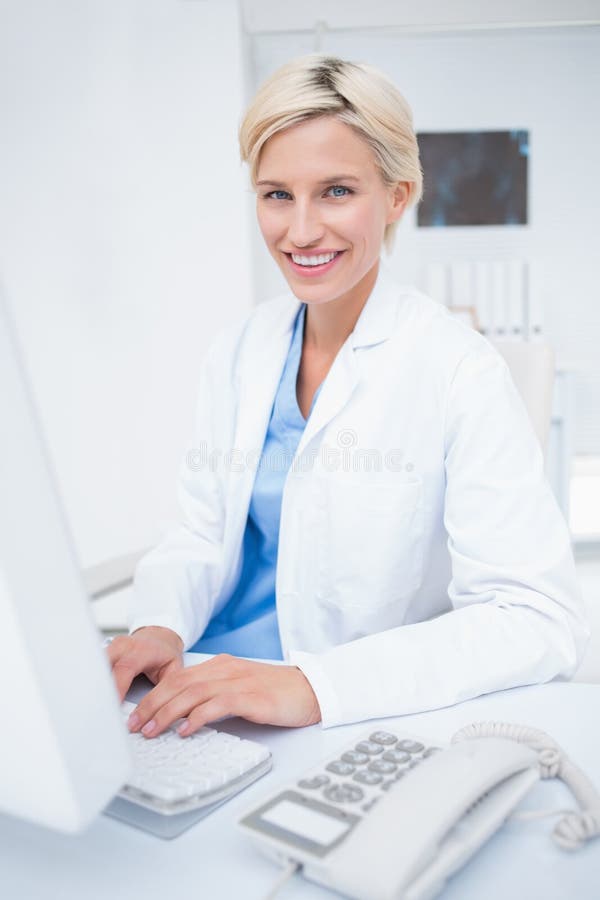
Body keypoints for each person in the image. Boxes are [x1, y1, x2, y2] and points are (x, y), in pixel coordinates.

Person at [108, 54, 588, 735]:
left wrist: (314, 685)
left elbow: (537, 620)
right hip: (196, 692)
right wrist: (159, 626)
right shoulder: (241, 351)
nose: (300, 230)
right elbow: (200, 532)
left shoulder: (460, 371)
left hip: (335, 716)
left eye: (335, 191)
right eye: (277, 194)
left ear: (397, 194)